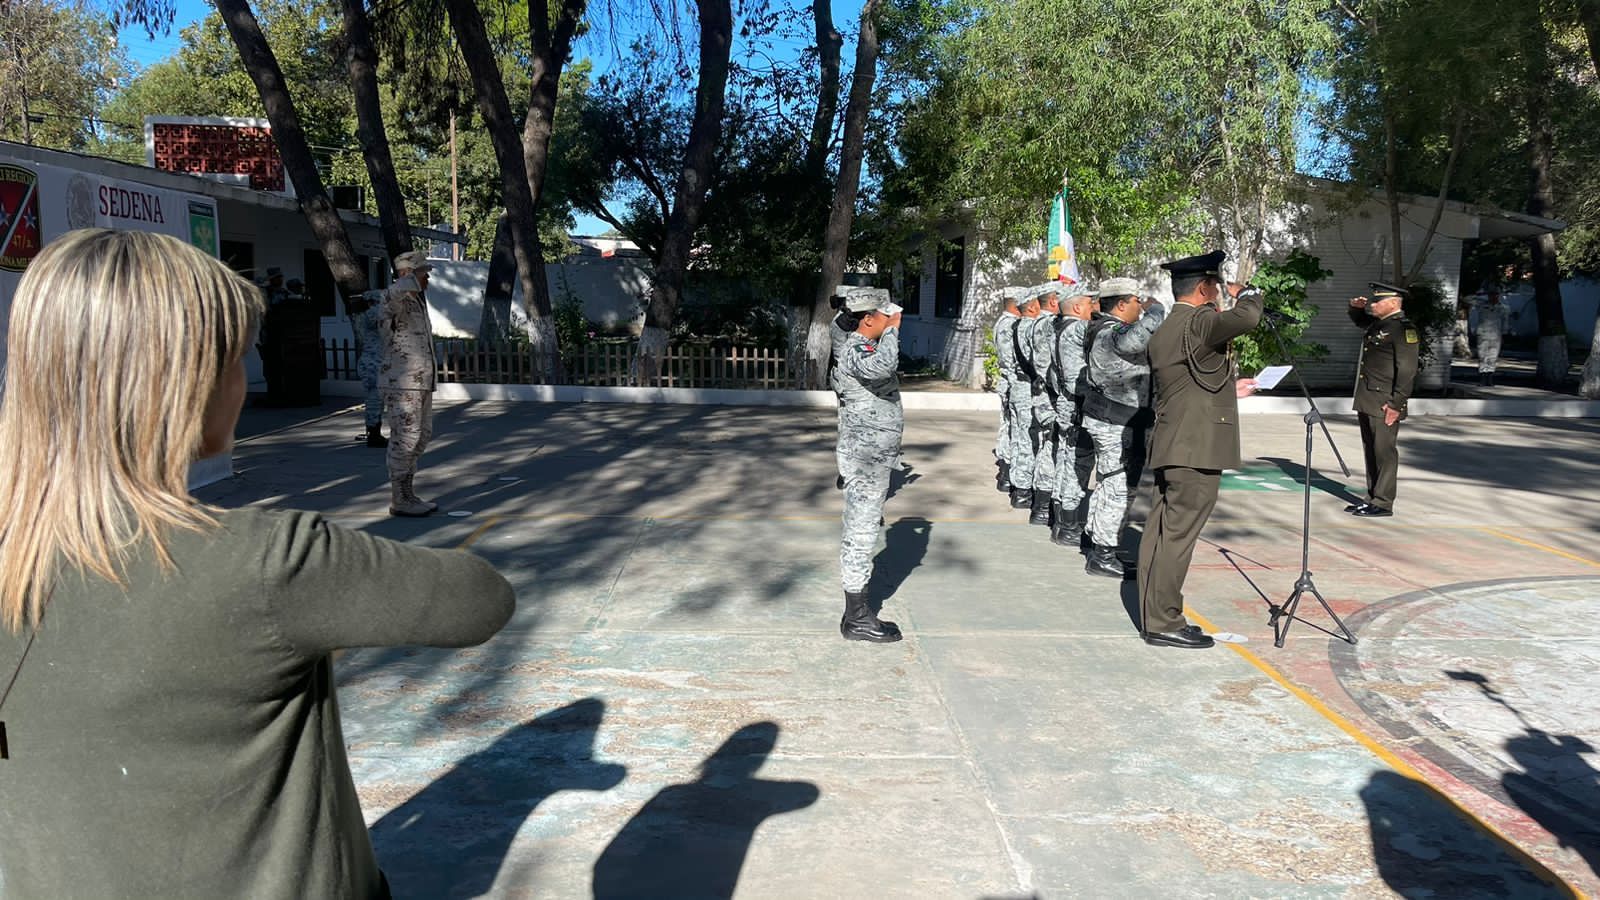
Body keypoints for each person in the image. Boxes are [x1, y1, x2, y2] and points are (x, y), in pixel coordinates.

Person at [0, 229, 515, 899]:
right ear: (185, 385)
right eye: (236, 359)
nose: (246, 382)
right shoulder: (269, 561)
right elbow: (481, 599)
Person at [1137, 250, 1262, 650]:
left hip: (1172, 442)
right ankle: (1164, 621)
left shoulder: (1166, 328)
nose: (1220, 294)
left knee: (1160, 534)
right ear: (1205, 288)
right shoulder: (1201, 321)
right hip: (1195, 450)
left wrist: (1230, 389)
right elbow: (1248, 318)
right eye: (1216, 287)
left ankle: (1154, 614)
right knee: (1178, 538)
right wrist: (1249, 293)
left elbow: (1189, 382)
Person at [1080, 278, 1164, 578]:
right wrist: (1157, 310)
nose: (1140, 307)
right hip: (1117, 422)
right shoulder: (1111, 332)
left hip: (1113, 418)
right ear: (1121, 304)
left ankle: (1095, 542)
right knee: (1119, 489)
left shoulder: (1102, 329)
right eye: (1137, 301)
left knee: (1108, 483)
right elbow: (1136, 340)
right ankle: (1103, 554)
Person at [834, 289, 904, 643]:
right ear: (868, 319)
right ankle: (857, 617)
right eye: (884, 316)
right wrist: (892, 330)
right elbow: (883, 366)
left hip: (870, 455)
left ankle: (856, 614)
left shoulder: (857, 345)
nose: (891, 320)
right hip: (866, 457)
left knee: (862, 529)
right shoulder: (858, 350)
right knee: (861, 533)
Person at [1346, 282, 1420, 518]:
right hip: (1369, 397)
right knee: (1371, 450)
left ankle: (1383, 502)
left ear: (1393, 303)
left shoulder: (1403, 329)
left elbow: (1407, 370)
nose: (1373, 304)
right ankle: (1372, 497)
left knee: (1384, 452)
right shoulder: (1381, 324)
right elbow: (1361, 321)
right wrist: (1355, 309)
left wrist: (1397, 404)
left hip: (1385, 401)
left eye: (1378, 301)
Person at [381, 250, 440, 517]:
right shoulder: (394, 298)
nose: (427, 277)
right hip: (403, 383)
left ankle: (408, 493)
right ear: (407, 275)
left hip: (421, 381)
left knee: (421, 436)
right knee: (405, 438)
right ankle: (400, 498)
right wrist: (406, 280)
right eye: (423, 273)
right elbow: (388, 303)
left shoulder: (416, 301)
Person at [1050, 289, 1097, 548]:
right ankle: (1069, 524)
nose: (1094, 308)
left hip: (1067, 402)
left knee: (1067, 461)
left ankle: (1062, 520)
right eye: (1090, 303)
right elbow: (1075, 378)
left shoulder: (1058, 328)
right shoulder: (1076, 329)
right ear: (1077, 308)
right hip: (1076, 404)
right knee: (1077, 466)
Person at [1023, 284, 1063, 526]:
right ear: (1054, 301)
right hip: (1050, 397)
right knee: (1051, 448)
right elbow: (1049, 367)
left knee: (1045, 446)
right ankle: (1043, 507)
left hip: (1041, 393)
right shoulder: (1048, 324)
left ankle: (1041, 504)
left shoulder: (1034, 323)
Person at [1003, 287, 1042, 510]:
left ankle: (1017, 485)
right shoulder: (1030, 328)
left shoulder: (1014, 325)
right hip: (1026, 388)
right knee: (1027, 440)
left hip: (1018, 386)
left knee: (1018, 437)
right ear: (1032, 306)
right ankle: (1023, 490)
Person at [990, 288, 1024, 493]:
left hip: (1008, 382)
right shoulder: (1008, 325)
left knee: (1009, 425)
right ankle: (1006, 469)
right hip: (1011, 382)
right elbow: (1009, 360)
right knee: (1010, 427)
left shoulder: (1006, 322)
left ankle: (1006, 468)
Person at [349, 289, 388, 447]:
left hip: (374, 361)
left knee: (377, 400)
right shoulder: (373, 313)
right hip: (373, 362)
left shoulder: (366, 314)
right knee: (374, 400)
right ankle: (374, 435)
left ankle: (374, 432)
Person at [1472, 287, 1512, 386]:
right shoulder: (1481, 305)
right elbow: (1468, 299)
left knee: (1493, 357)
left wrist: (1504, 335)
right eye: (1491, 294)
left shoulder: (1504, 308)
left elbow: (1505, 322)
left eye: (1496, 294)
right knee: (1482, 356)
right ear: (1488, 295)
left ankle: (1489, 379)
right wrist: (1481, 295)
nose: (1494, 297)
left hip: (1496, 335)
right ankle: (1482, 378)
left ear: (1499, 295)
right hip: (1483, 334)